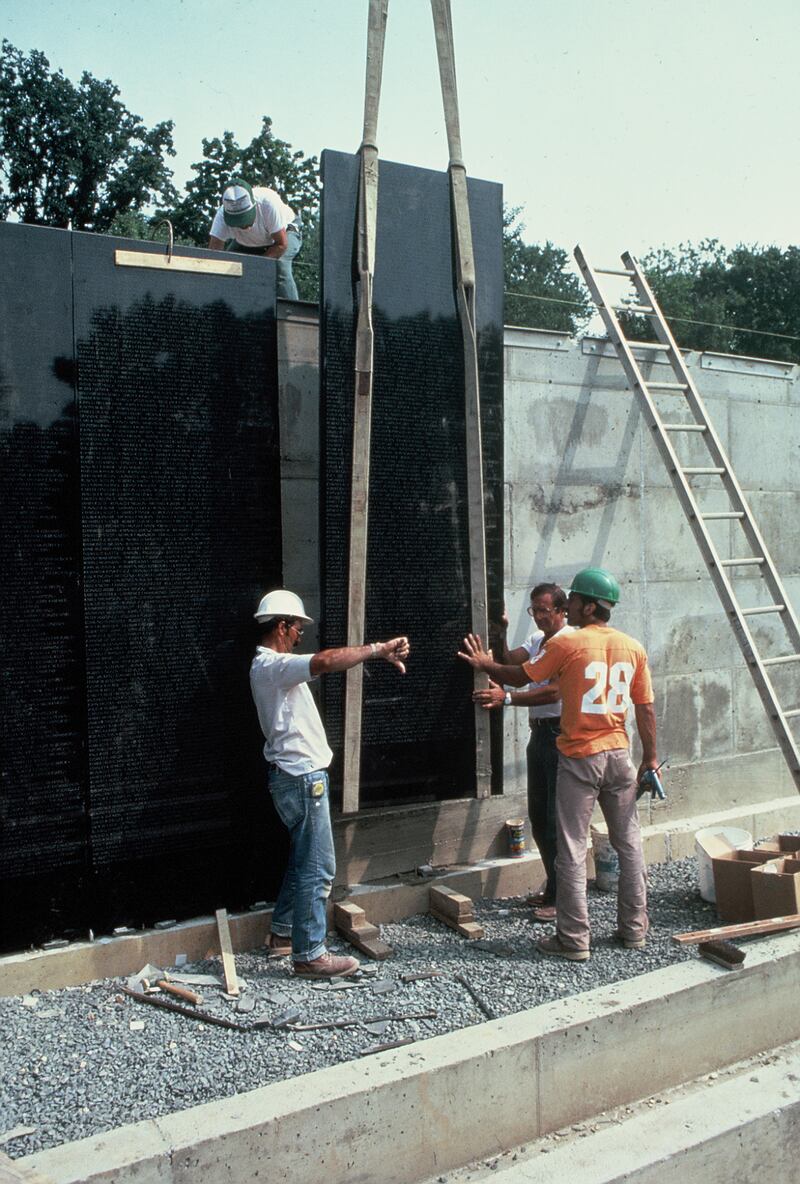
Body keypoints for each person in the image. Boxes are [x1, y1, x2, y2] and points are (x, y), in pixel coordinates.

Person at [459, 568, 658, 962]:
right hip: (620, 753)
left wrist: (485, 664)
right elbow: (646, 708)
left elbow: (520, 675)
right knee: (630, 844)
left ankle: (574, 939)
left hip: (581, 755)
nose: (568, 608)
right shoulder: (632, 647)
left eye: (572, 603)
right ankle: (634, 930)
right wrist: (650, 758)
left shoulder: (571, 644)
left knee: (570, 847)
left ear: (586, 606)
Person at [250, 589, 410, 978]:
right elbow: (323, 662)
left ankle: (284, 935)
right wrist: (376, 649)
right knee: (319, 867)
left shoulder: (269, 667)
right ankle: (310, 955)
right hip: (302, 778)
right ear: (282, 626)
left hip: (294, 777)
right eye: (297, 628)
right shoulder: (274, 665)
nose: (301, 635)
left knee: (303, 859)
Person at [474, 584, 571, 921]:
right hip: (540, 735)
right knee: (540, 817)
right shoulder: (537, 640)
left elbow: (554, 692)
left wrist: (508, 698)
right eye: (535, 610)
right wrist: (499, 633)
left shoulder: (566, 642)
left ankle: (563, 899)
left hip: (559, 733)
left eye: (546, 610)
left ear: (563, 611)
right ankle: (555, 888)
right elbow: (508, 664)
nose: (540, 616)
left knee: (554, 820)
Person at [209, 178, 302, 300]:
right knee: (230, 267)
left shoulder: (267, 204)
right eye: (238, 222)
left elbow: (282, 245)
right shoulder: (221, 217)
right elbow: (213, 256)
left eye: (245, 219)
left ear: (254, 206)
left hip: (284, 234)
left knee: (280, 265)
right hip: (248, 242)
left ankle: (291, 313)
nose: (243, 226)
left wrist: (255, 265)